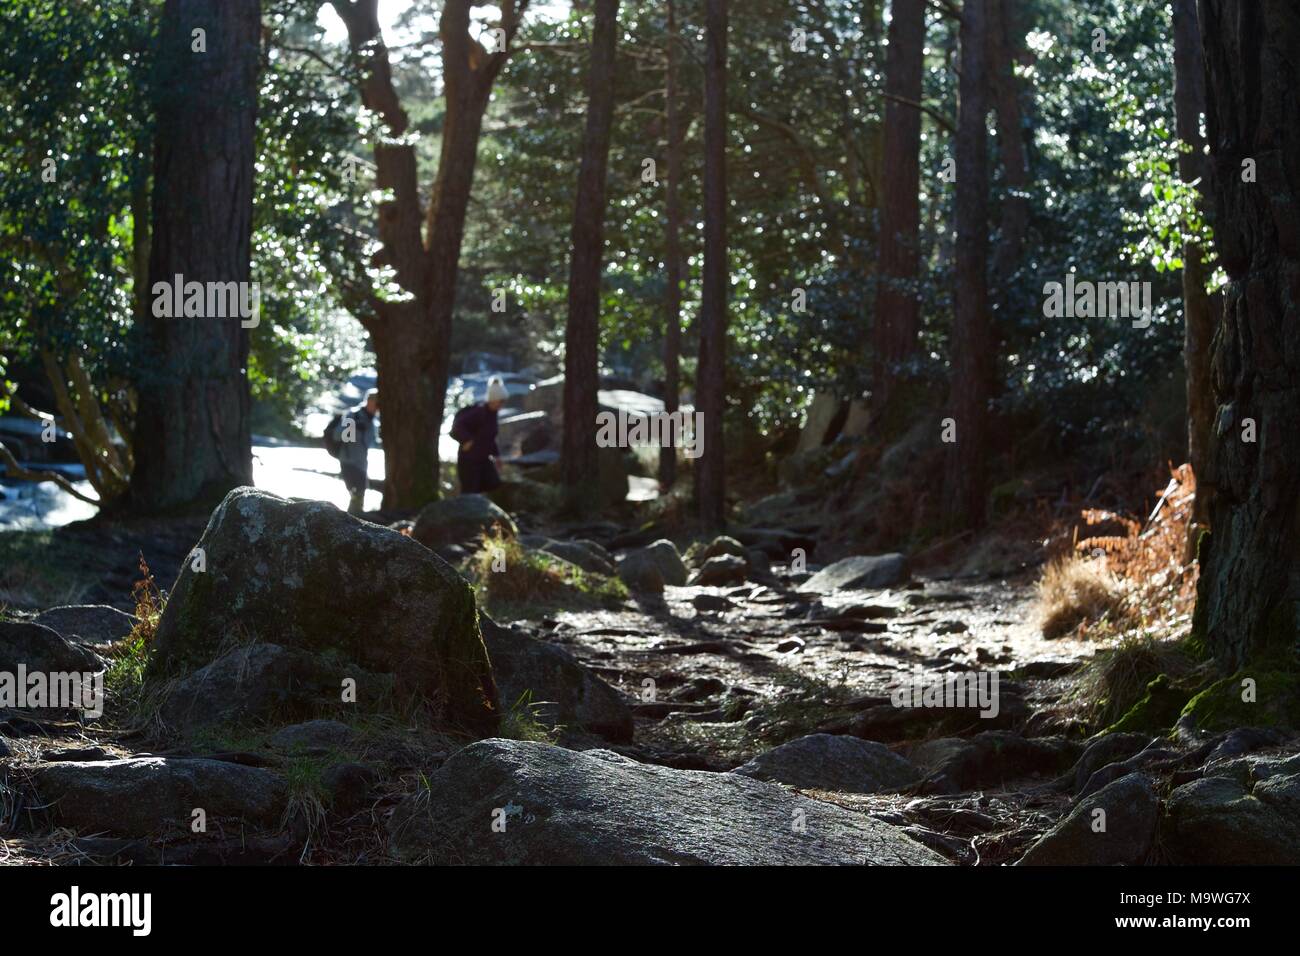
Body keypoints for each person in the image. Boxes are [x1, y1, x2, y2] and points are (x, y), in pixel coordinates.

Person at [452, 377, 507, 494]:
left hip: (483, 459)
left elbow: (490, 437)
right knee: (470, 492)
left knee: (494, 483)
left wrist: (497, 456)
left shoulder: (493, 414)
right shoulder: (479, 411)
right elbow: (458, 425)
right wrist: (467, 440)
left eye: (503, 401)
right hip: (469, 461)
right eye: (500, 401)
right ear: (493, 399)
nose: (502, 404)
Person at [338, 389, 379, 515]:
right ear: (369, 401)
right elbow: (341, 436)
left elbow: (372, 441)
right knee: (356, 494)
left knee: (360, 494)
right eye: (377, 403)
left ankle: (354, 519)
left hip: (361, 463)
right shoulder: (353, 414)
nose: (378, 407)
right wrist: (354, 427)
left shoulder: (373, 420)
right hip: (348, 461)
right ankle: (352, 520)